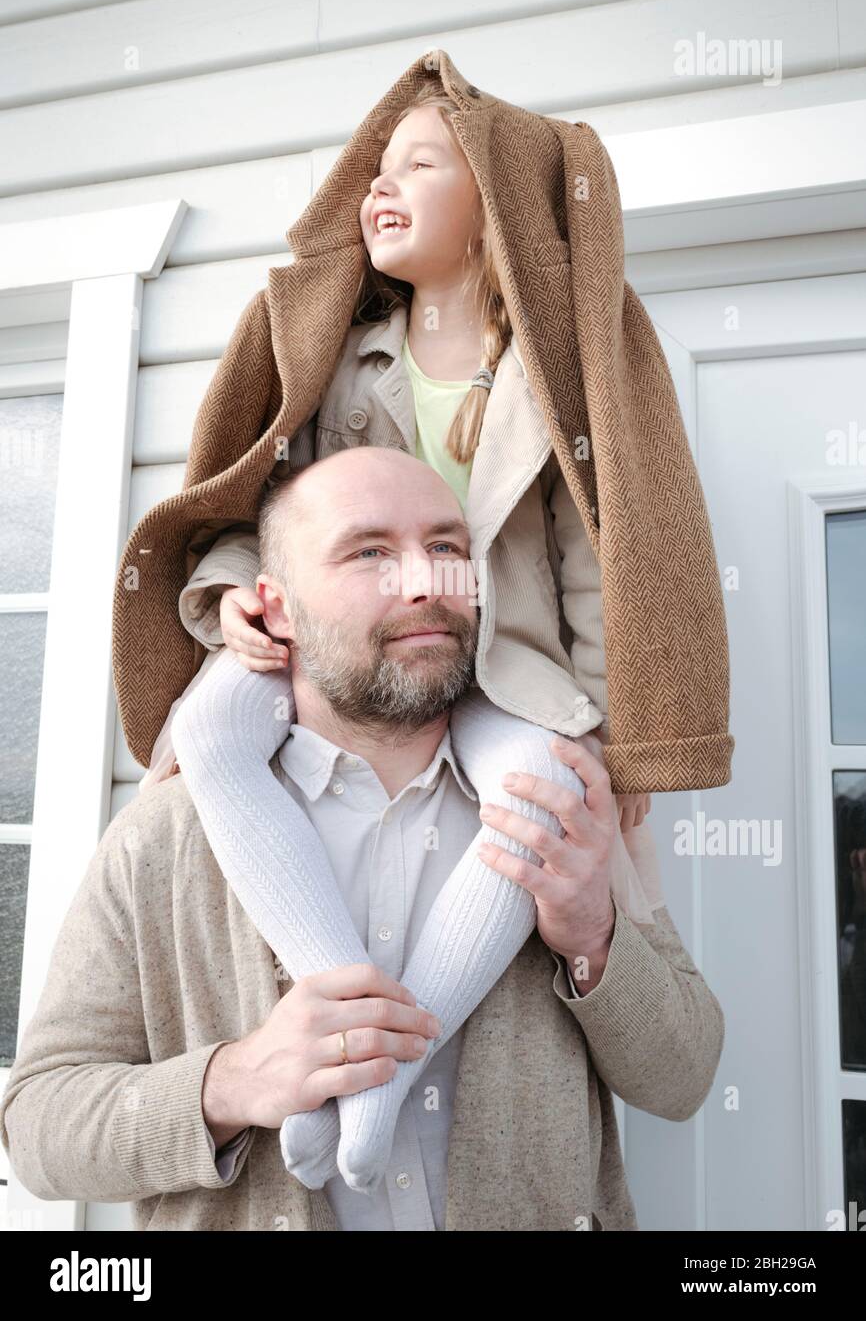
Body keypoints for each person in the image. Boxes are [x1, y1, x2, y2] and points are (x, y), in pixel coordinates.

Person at [0, 448, 724, 1232]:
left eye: (446, 549)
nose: (425, 583)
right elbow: (39, 1129)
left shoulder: (566, 812)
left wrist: (593, 937)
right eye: (369, 552)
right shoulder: (167, 839)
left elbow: (681, 1078)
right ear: (273, 610)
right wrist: (234, 1082)